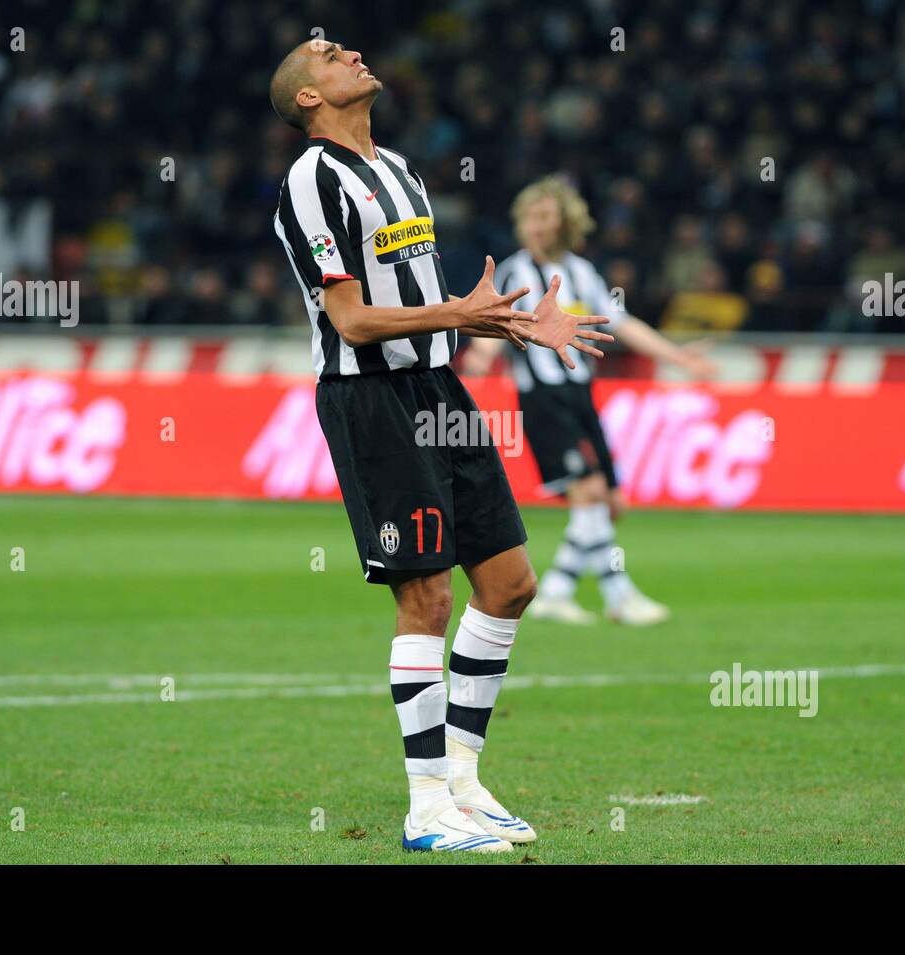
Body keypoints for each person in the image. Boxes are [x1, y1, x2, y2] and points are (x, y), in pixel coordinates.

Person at [270, 39, 613, 853]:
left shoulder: (397, 166)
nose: (349, 52)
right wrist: (463, 314)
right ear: (309, 98)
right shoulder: (312, 180)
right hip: (369, 397)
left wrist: (513, 322)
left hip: (436, 387)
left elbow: (425, 298)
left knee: (511, 581)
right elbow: (351, 320)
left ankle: (462, 778)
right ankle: (426, 805)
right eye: (327, 54)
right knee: (424, 596)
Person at [463, 176, 715, 625]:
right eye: (529, 217)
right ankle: (619, 595)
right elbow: (492, 320)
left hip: (581, 395)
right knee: (590, 491)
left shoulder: (581, 272)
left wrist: (678, 357)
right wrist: (482, 354)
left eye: (545, 216)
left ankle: (559, 589)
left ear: (565, 222)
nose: (535, 226)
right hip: (542, 397)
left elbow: (622, 322)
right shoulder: (512, 270)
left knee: (612, 501)